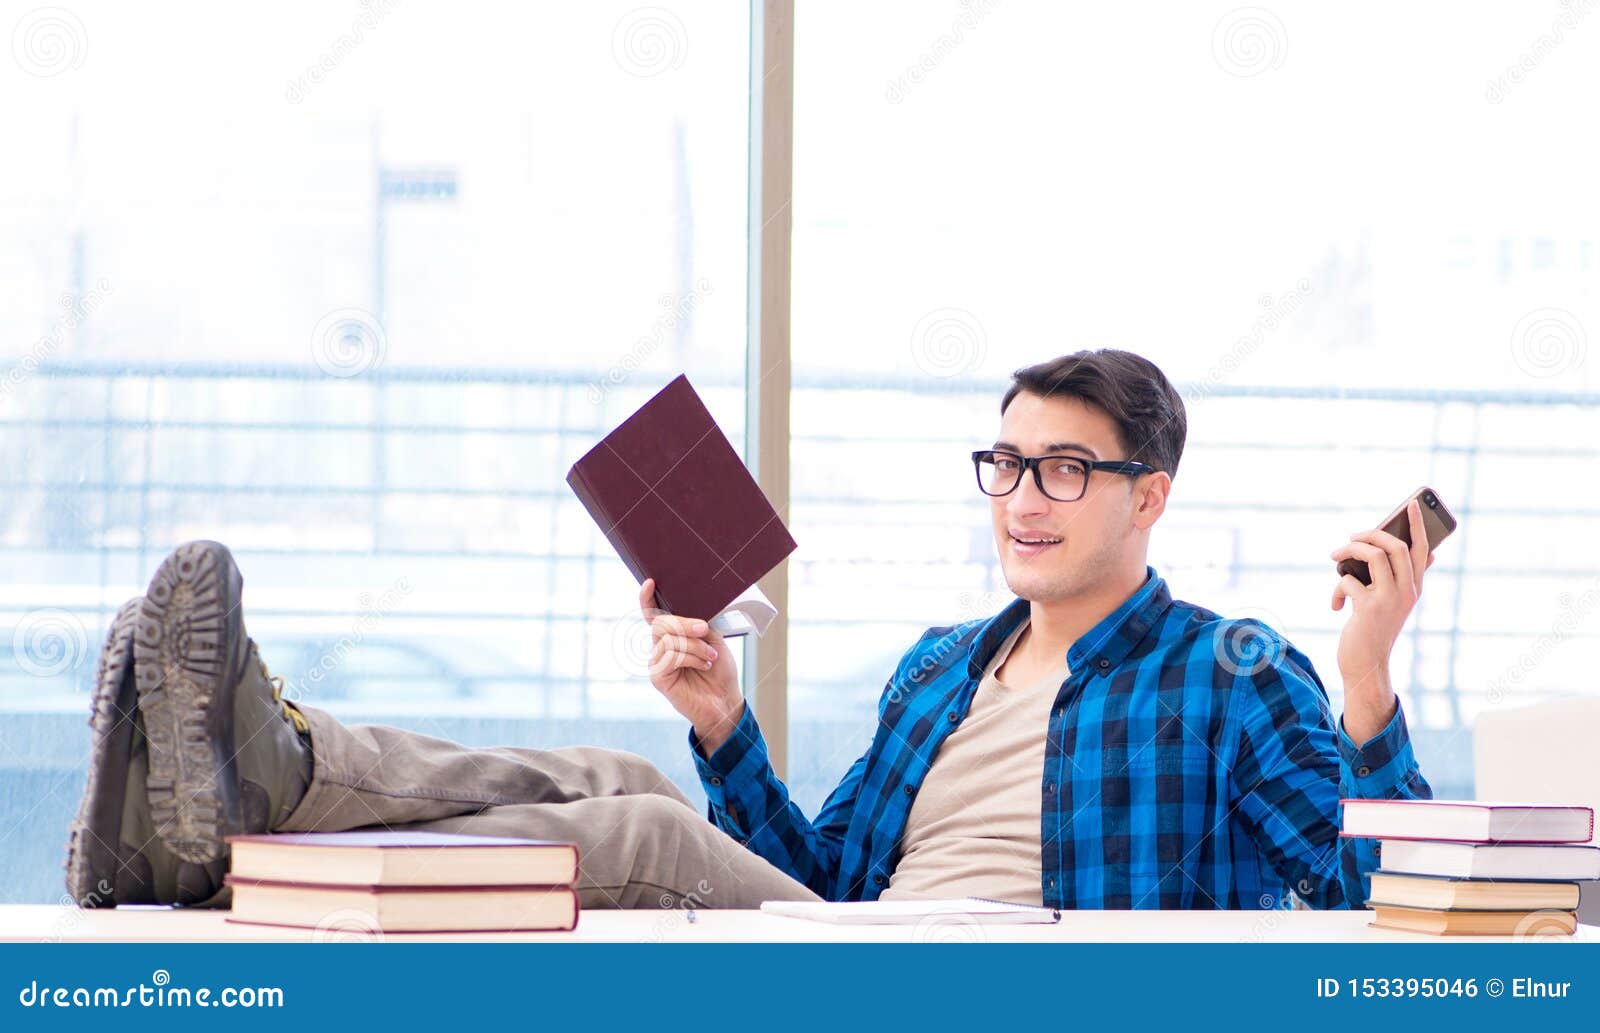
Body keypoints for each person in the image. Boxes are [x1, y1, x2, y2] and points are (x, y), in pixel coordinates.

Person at [66, 349, 1432, 911]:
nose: (1023, 498)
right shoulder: (944, 665)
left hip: (1002, 976)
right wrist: (723, 717)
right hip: (866, 947)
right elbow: (821, 875)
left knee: (651, 833)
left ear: (1151, 494)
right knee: (640, 777)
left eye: (1064, 467)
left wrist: (1368, 682)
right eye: (1005, 464)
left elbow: (1369, 899)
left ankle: (231, 841)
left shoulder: (1230, 668)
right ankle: (270, 777)